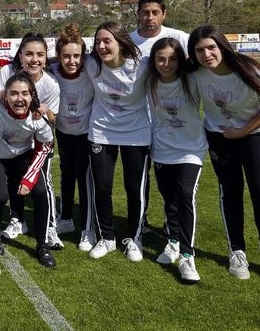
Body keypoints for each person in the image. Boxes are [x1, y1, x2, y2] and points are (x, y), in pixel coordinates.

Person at [188, 25, 260, 284]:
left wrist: (242, 131)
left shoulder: (249, 70)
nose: (207, 54)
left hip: (256, 134)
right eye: (199, 50)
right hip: (220, 137)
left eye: (211, 47)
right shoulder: (196, 72)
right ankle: (237, 252)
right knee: (231, 191)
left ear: (222, 45)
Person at [85, 21, 151, 262]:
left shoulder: (142, 67)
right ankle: (107, 238)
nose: (101, 46)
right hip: (101, 131)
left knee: (135, 189)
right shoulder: (91, 64)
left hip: (137, 133)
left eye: (107, 41)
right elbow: (61, 62)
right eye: (98, 42)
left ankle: (134, 238)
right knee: (102, 187)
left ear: (121, 41)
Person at [0, 33, 62, 250]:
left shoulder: (50, 84)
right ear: (20, 56)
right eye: (29, 54)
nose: (34, 59)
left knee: (42, 184)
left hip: (36, 139)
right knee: (8, 183)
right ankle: (15, 219)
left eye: (40, 55)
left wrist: (42, 112)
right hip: (4, 141)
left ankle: (49, 228)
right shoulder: (6, 72)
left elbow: (52, 120)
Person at [146, 37, 206, 283]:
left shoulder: (193, 80)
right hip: (161, 149)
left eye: (172, 58)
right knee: (169, 198)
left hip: (190, 149)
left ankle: (186, 255)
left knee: (184, 197)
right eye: (161, 59)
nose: (166, 64)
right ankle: (171, 241)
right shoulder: (149, 82)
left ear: (180, 59)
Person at [0, 73, 56, 267]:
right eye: (13, 93)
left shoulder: (37, 117)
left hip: (22, 156)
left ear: (32, 96)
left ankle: (42, 244)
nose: (19, 98)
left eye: (25, 93)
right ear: (5, 95)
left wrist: (28, 179)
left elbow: (45, 147)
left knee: (41, 192)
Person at [50, 24, 96, 251]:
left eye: (77, 56)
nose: (72, 61)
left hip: (87, 133)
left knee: (85, 178)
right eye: (66, 56)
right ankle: (66, 218)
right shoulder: (52, 71)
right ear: (58, 56)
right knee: (66, 175)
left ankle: (88, 229)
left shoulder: (91, 70)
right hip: (64, 132)